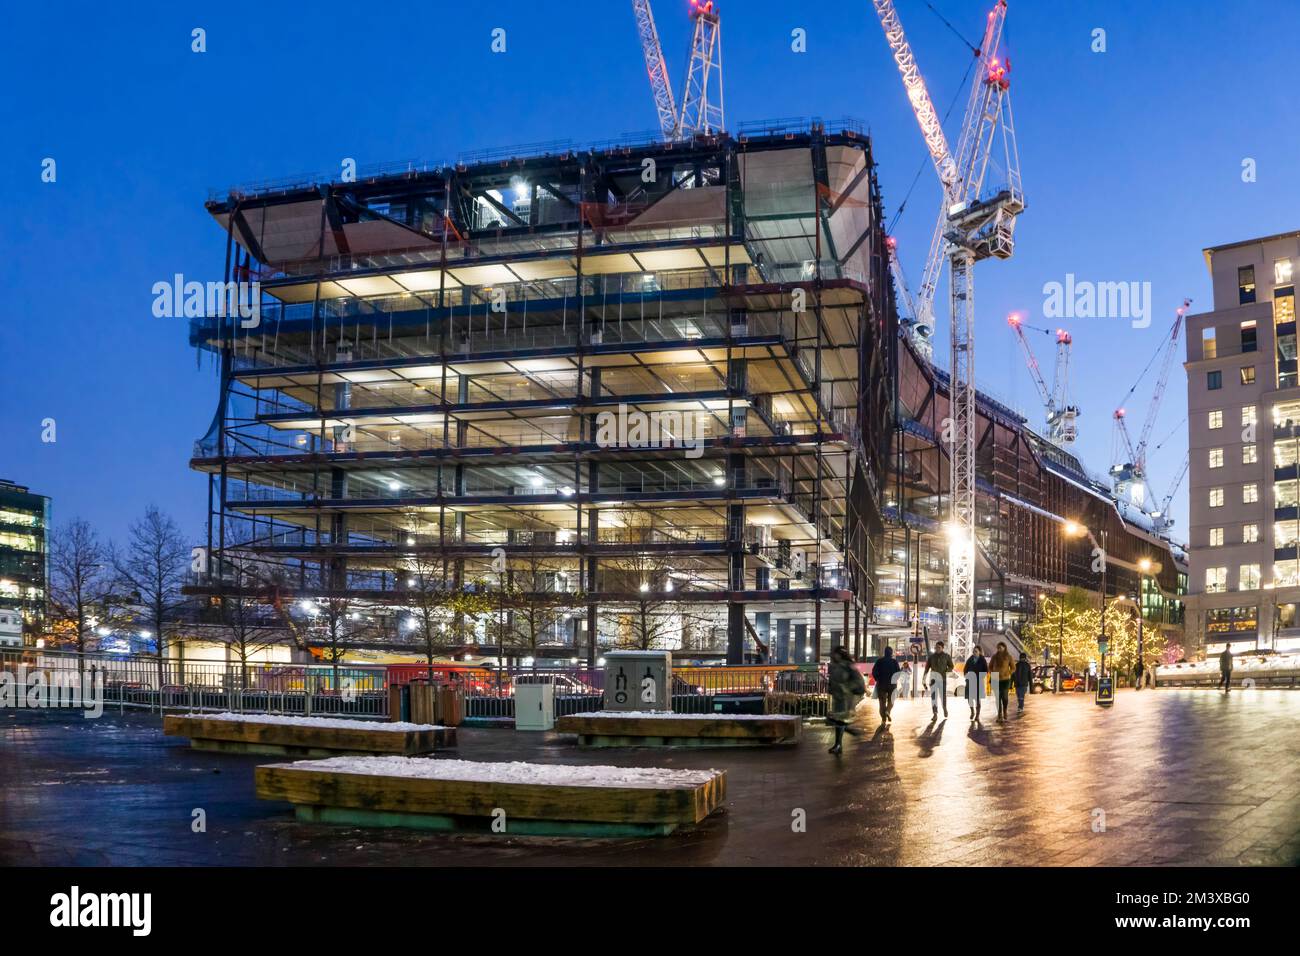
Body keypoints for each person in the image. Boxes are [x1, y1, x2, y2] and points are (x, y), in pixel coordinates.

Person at [826, 646, 865, 754]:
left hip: (846, 698)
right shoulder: (836, 666)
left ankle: (839, 744)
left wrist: (846, 688)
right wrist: (831, 688)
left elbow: (858, 681)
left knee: (838, 719)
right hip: (837, 697)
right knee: (835, 719)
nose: (834, 656)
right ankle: (841, 741)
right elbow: (834, 680)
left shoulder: (848, 666)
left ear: (840, 654)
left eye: (835, 653)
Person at [871, 646, 902, 726]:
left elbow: (874, 672)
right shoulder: (894, 661)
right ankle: (888, 711)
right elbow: (898, 673)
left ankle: (883, 720)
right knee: (891, 701)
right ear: (891, 653)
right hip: (892, 684)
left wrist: (877, 679)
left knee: (882, 702)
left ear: (884, 652)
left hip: (881, 684)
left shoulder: (879, 661)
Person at [924, 641, 954, 718]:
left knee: (942, 696)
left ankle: (944, 708)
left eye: (939, 647)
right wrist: (924, 679)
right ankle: (935, 713)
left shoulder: (946, 656)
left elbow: (951, 666)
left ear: (942, 648)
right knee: (933, 697)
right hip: (933, 680)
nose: (937, 649)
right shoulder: (931, 657)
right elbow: (926, 668)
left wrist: (947, 671)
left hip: (942, 680)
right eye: (936, 647)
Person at [988, 641, 1015, 720]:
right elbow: (990, 666)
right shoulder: (994, 657)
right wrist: (992, 672)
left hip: (1005, 679)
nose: (999, 649)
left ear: (1004, 647)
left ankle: (1005, 710)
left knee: (1005, 697)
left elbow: (1013, 668)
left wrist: (1008, 673)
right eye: (998, 648)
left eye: (1000, 647)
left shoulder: (1008, 656)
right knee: (997, 698)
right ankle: (999, 713)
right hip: (995, 679)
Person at [963, 644, 988, 721]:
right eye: (973, 651)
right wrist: (966, 675)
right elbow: (965, 668)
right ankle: (972, 711)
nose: (974, 653)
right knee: (969, 698)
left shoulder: (982, 660)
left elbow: (986, 670)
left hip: (978, 681)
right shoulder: (970, 659)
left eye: (976, 651)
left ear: (979, 652)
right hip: (970, 681)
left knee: (977, 699)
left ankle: (977, 715)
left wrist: (981, 677)